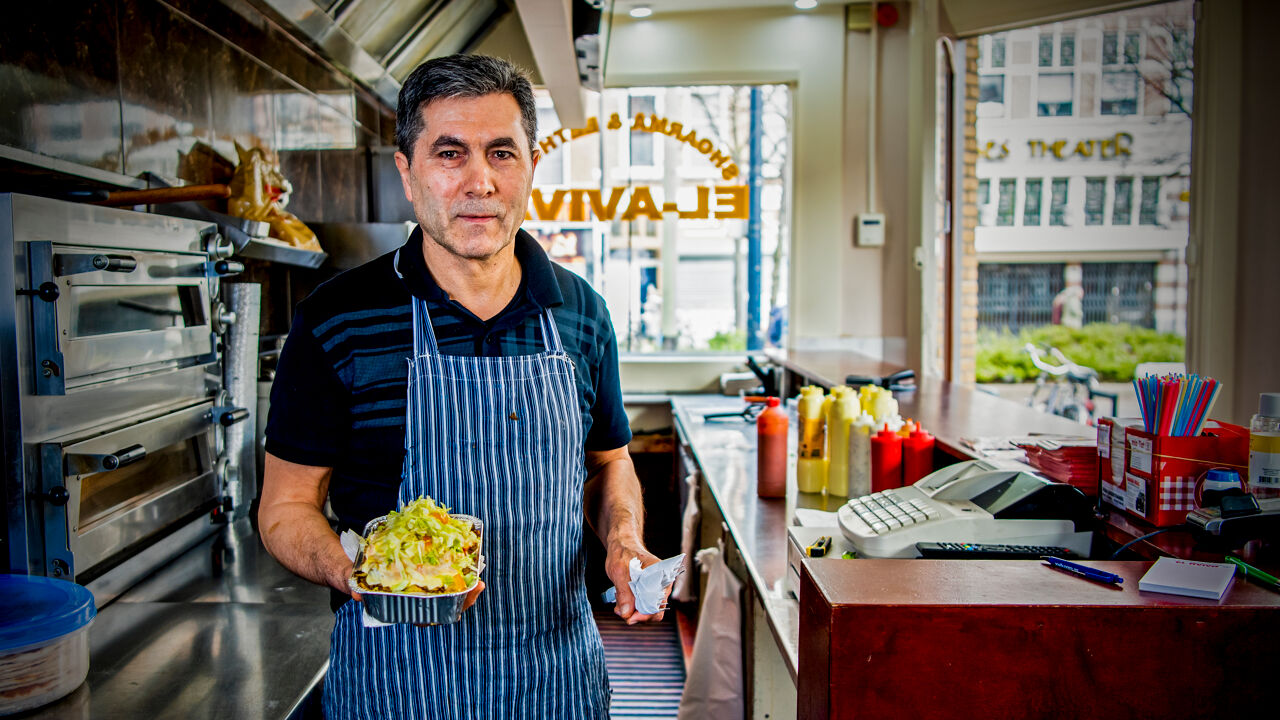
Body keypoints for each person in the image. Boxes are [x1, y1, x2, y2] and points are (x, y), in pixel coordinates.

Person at [257, 54, 663, 719]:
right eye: (450, 154)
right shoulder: (336, 319)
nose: (480, 181)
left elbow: (607, 464)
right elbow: (284, 508)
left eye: (502, 153)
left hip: (556, 682)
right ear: (407, 172)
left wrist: (623, 539)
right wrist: (364, 576)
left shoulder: (582, 313)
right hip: (394, 686)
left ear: (531, 166)